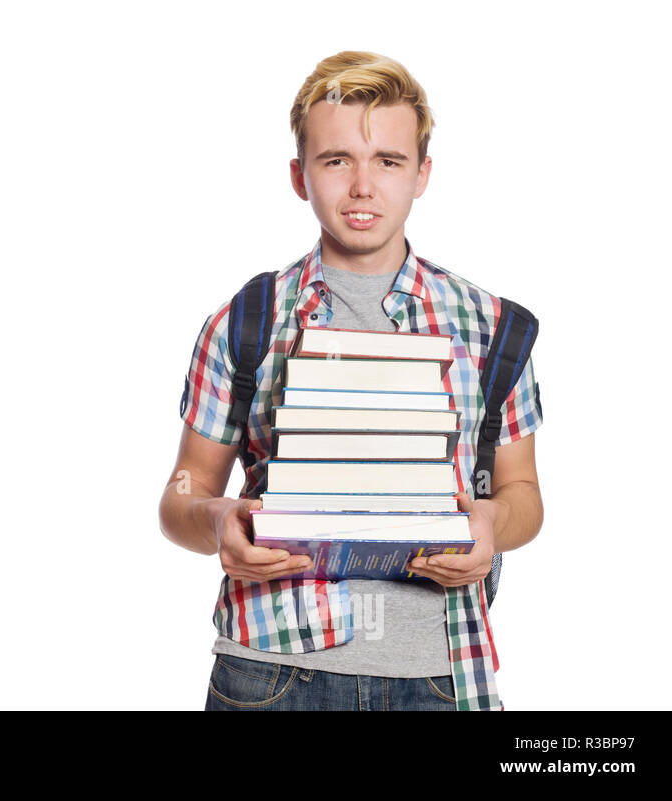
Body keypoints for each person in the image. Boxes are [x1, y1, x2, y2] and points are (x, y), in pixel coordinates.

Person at [158, 51, 543, 711]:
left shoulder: (491, 327)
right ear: (299, 176)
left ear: (422, 174)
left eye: (388, 162)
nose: (363, 187)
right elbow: (183, 491)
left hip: (441, 673)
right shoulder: (244, 320)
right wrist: (213, 517)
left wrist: (493, 522)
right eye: (337, 160)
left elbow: (523, 493)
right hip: (271, 672)